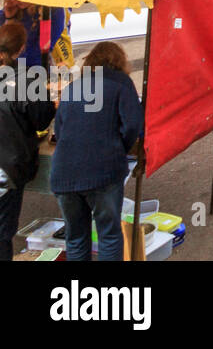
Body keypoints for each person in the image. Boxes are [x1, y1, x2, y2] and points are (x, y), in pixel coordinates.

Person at [50, 41, 142, 262]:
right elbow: (133, 126)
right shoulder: (122, 83)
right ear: (120, 61)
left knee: (75, 238)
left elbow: (59, 131)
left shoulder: (74, 87)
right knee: (109, 235)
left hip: (64, 173)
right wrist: (119, 148)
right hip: (103, 170)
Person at [0, 21, 56, 261]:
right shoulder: (26, 81)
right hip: (9, 169)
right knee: (3, 232)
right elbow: (41, 121)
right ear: (21, 48)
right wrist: (53, 104)